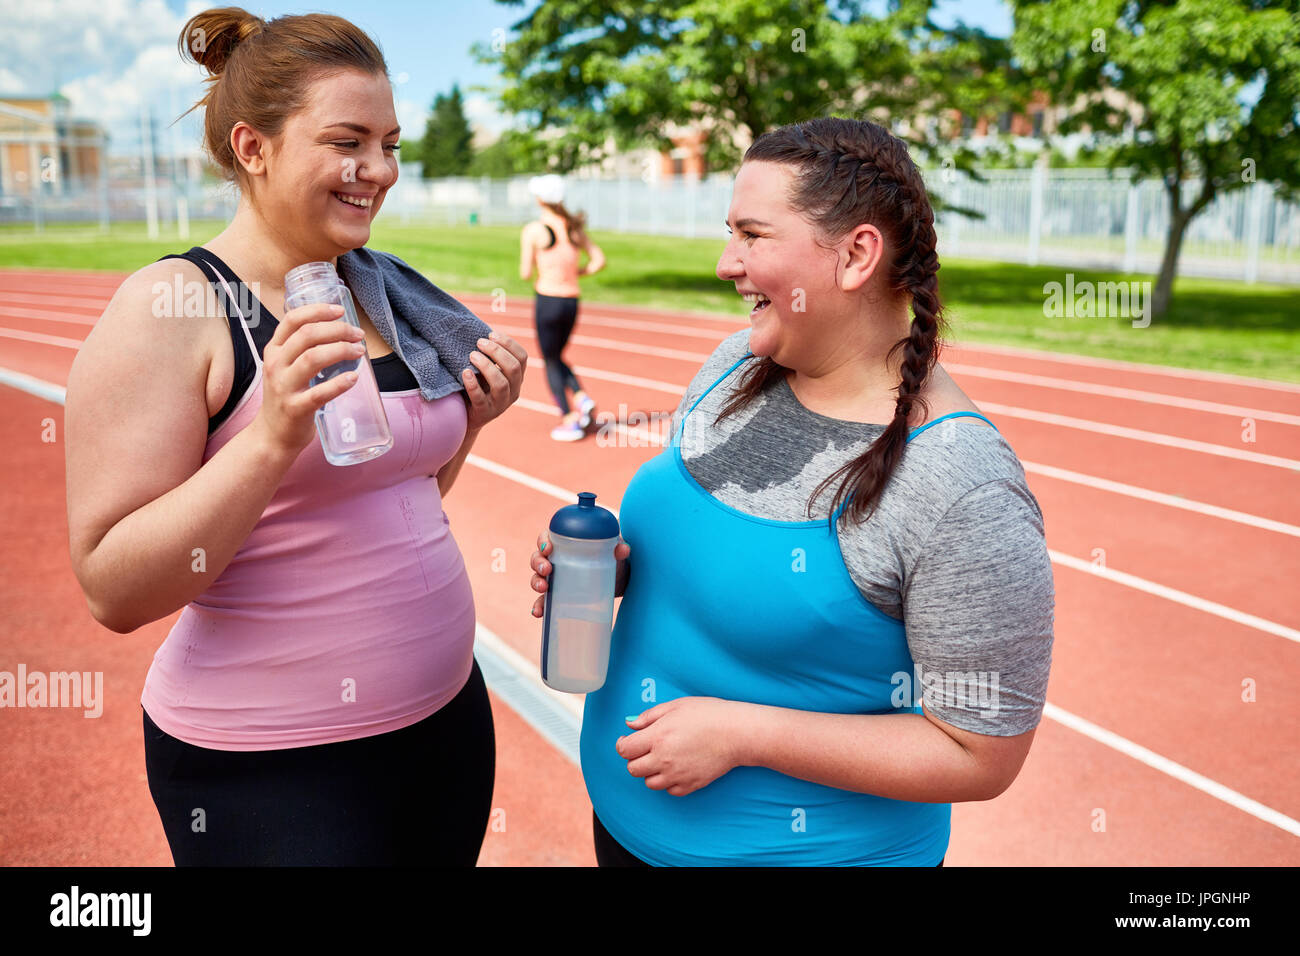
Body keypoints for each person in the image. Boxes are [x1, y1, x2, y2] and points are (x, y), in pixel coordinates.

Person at [63, 7, 527, 866]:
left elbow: (382, 499)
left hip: (446, 724)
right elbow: (112, 589)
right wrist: (271, 436)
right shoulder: (173, 308)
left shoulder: (376, 290)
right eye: (349, 141)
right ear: (253, 147)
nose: (379, 170)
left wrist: (469, 426)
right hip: (270, 764)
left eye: (390, 143)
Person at [528, 117, 1056, 866]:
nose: (724, 263)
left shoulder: (960, 484)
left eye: (752, 234)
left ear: (855, 256)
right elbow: (716, 557)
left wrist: (745, 735)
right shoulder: (732, 366)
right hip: (622, 833)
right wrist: (615, 569)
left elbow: (980, 753)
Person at [519, 174, 605, 441]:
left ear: (540, 199)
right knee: (557, 356)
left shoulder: (534, 230)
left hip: (548, 299)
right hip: (571, 301)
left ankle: (570, 419)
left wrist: (543, 270)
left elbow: (524, 272)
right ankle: (581, 397)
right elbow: (598, 260)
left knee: (550, 359)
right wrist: (577, 272)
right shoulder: (573, 227)